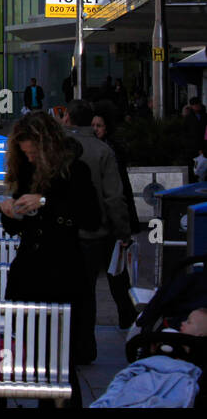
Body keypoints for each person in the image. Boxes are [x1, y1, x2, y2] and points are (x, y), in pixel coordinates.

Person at [0, 112, 101, 406]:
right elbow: (17, 226)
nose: (29, 158)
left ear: (46, 148)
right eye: (24, 153)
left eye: (32, 153)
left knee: (60, 361)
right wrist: (11, 211)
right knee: (38, 357)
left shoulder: (74, 171)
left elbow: (91, 216)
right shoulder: (27, 173)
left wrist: (45, 203)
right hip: (30, 274)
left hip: (62, 274)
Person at [60, 99, 133, 364]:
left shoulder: (56, 148)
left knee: (64, 290)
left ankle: (63, 346)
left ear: (68, 118)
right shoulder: (102, 150)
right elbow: (115, 196)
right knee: (87, 291)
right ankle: (85, 347)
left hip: (61, 232)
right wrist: (123, 231)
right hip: (93, 233)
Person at [91, 102, 140, 329]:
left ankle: (127, 316)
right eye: (93, 125)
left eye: (99, 125)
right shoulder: (98, 150)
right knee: (115, 274)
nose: (96, 129)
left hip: (110, 222)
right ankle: (127, 316)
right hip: (104, 222)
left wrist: (125, 226)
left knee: (116, 275)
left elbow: (120, 193)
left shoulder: (108, 152)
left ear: (107, 128)